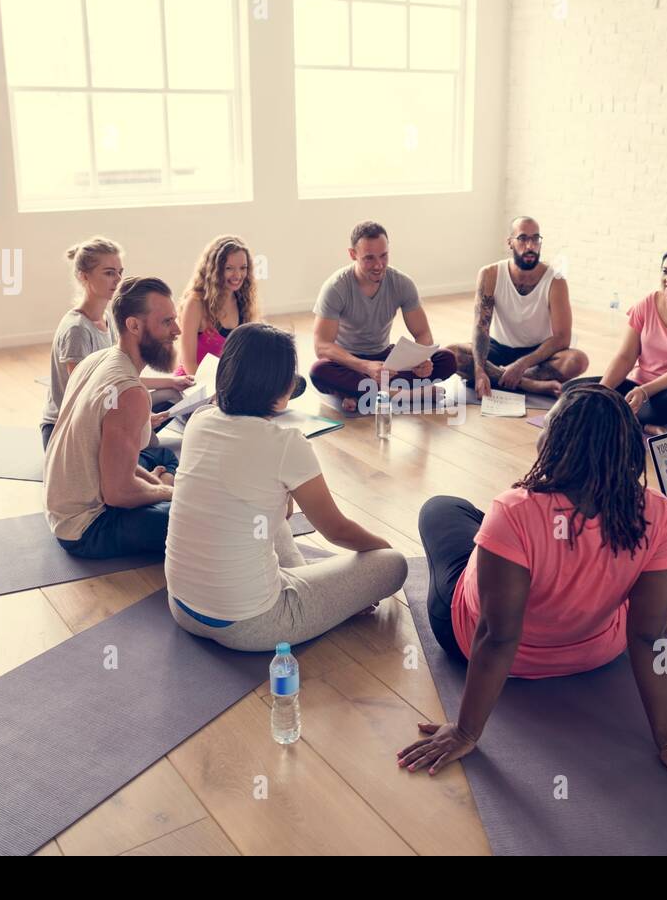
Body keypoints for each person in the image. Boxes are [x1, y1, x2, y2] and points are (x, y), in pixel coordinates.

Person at [400, 382, 667, 800]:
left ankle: (490, 546)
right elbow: (650, 636)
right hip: (596, 650)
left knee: (441, 509)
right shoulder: (660, 514)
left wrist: (467, 730)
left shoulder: (514, 511)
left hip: (471, 638)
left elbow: (497, 635)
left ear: (557, 440)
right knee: (490, 527)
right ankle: (496, 547)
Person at [166, 323, 409, 650]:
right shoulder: (286, 442)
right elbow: (336, 530)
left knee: (261, 515)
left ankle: (316, 586)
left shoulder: (199, 420)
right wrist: (383, 548)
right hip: (251, 624)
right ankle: (328, 596)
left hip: (182, 607)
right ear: (281, 387)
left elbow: (279, 513)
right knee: (394, 565)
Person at [43, 277, 183, 559]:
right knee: (203, 515)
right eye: (166, 322)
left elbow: (115, 462)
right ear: (133, 326)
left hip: (64, 506)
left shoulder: (99, 358)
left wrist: (155, 485)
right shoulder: (129, 393)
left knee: (163, 457)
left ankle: (162, 485)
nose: (176, 330)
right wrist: (170, 493)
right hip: (87, 528)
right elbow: (118, 493)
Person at [40, 237, 192, 452]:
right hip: (67, 428)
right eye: (109, 273)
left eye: (120, 272)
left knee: (174, 394)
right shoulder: (77, 329)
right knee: (150, 444)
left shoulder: (107, 318)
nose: (118, 279)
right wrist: (138, 416)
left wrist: (171, 381)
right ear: (84, 277)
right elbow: (84, 395)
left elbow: (117, 377)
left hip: (101, 408)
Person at [571, 245, 667, 434]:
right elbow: (625, 357)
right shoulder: (646, 304)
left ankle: (620, 416)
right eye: (665, 271)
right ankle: (640, 422)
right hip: (638, 388)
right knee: (573, 391)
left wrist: (644, 392)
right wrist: (602, 393)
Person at [310, 221, 457, 413]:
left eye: (384, 255)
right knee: (319, 371)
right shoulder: (336, 288)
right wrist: (365, 366)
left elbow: (422, 333)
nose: (379, 265)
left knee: (447, 360)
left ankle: (361, 394)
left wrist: (423, 359)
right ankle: (406, 395)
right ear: (353, 254)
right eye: (369, 258)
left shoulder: (402, 283)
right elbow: (322, 346)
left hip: (385, 361)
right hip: (349, 362)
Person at [446, 216, 589, 398]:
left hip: (537, 355)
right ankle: (528, 384)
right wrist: (480, 368)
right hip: (497, 348)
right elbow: (481, 326)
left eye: (535, 239)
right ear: (510, 243)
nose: (530, 246)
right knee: (451, 353)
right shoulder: (490, 274)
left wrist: (521, 365)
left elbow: (562, 338)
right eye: (522, 239)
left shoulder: (556, 280)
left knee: (578, 361)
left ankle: (500, 377)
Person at [175, 234, 305, 400]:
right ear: (214, 270)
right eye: (229, 268)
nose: (237, 275)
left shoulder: (243, 300)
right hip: (198, 383)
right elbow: (189, 365)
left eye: (243, 268)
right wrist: (213, 394)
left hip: (231, 381)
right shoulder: (196, 303)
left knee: (294, 381)